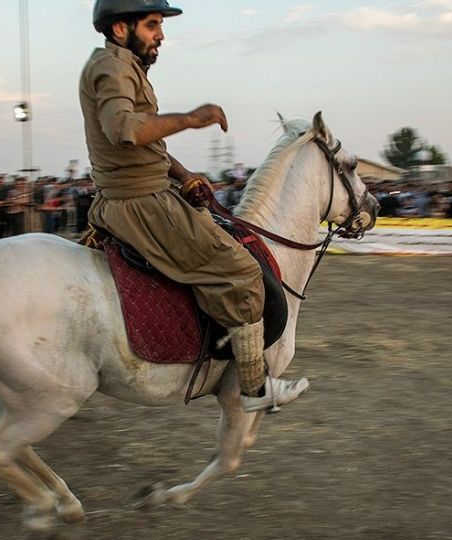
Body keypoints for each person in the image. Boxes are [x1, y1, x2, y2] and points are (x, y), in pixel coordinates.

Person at [80, 0, 308, 412]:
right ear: (119, 29)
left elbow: (148, 144)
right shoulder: (112, 67)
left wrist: (183, 176)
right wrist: (191, 117)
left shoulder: (124, 68)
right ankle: (254, 390)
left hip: (148, 193)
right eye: (152, 25)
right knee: (240, 271)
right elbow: (125, 130)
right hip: (142, 204)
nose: (161, 35)